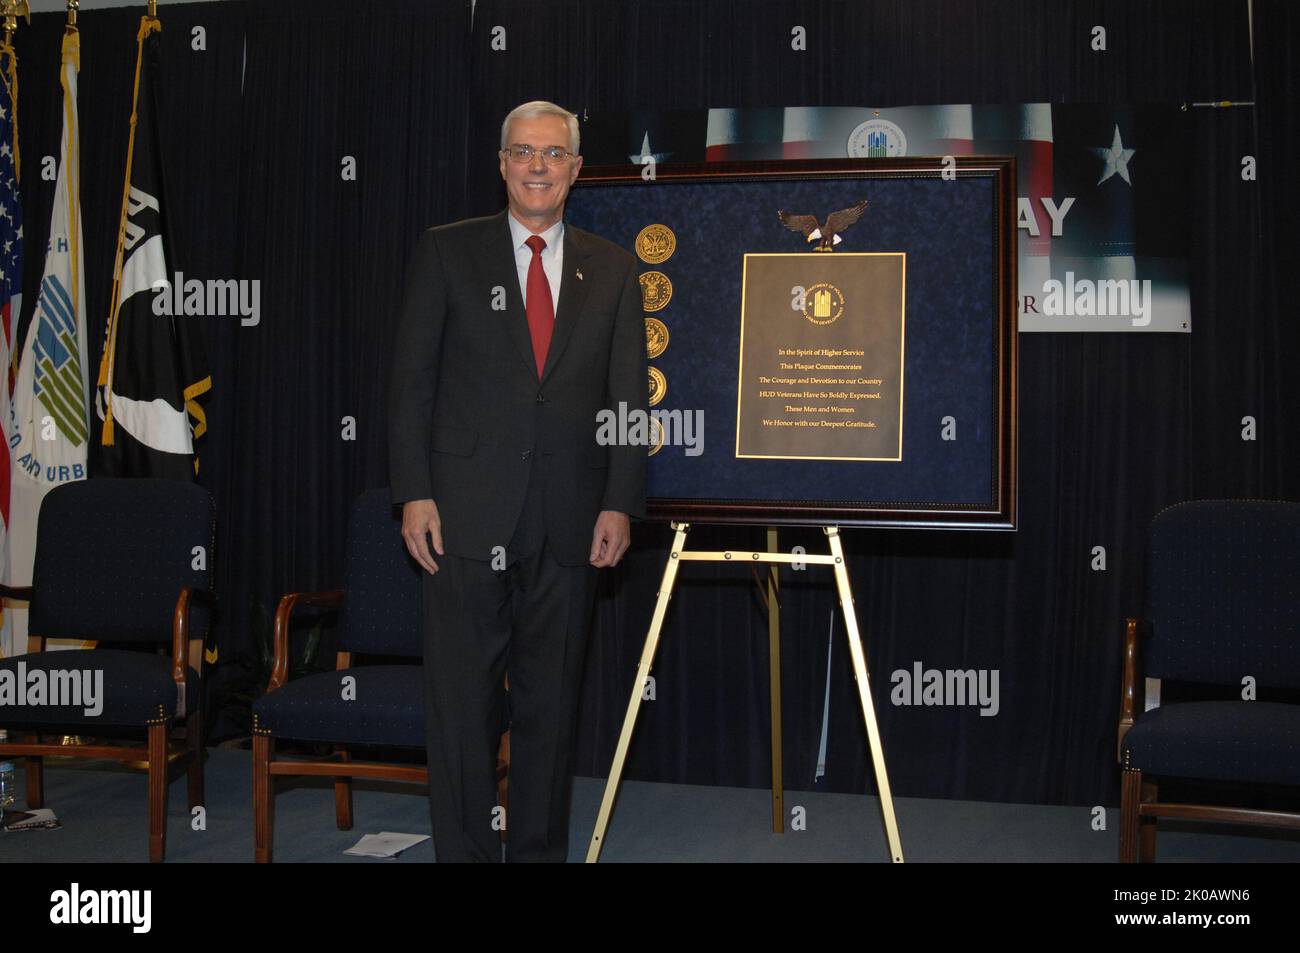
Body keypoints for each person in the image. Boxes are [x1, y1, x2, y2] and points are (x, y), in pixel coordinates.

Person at [387, 100, 648, 862]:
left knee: (550, 711)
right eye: (523, 152)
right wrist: (413, 491)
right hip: (461, 520)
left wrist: (621, 502)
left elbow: (629, 401)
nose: (538, 165)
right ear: (501, 164)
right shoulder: (445, 252)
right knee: (462, 712)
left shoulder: (615, 266)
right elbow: (411, 386)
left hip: (571, 524)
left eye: (554, 153)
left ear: (574, 169)